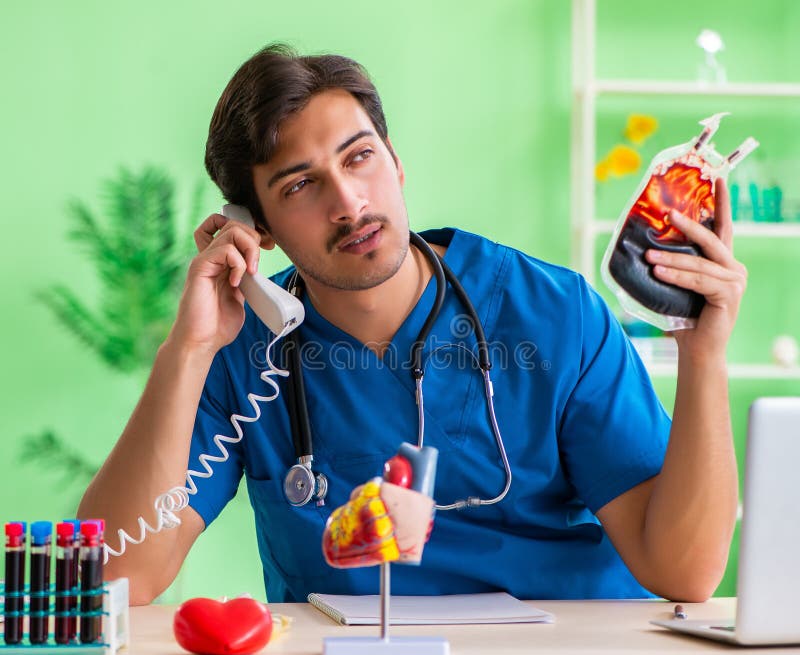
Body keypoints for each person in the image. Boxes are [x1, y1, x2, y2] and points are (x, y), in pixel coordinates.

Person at [78, 44, 745, 605]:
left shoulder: (554, 313)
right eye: (300, 186)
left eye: (359, 157)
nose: (349, 202)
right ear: (258, 228)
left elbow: (683, 573)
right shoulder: (243, 346)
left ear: (395, 162)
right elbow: (113, 577)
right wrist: (188, 348)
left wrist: (703, 354)